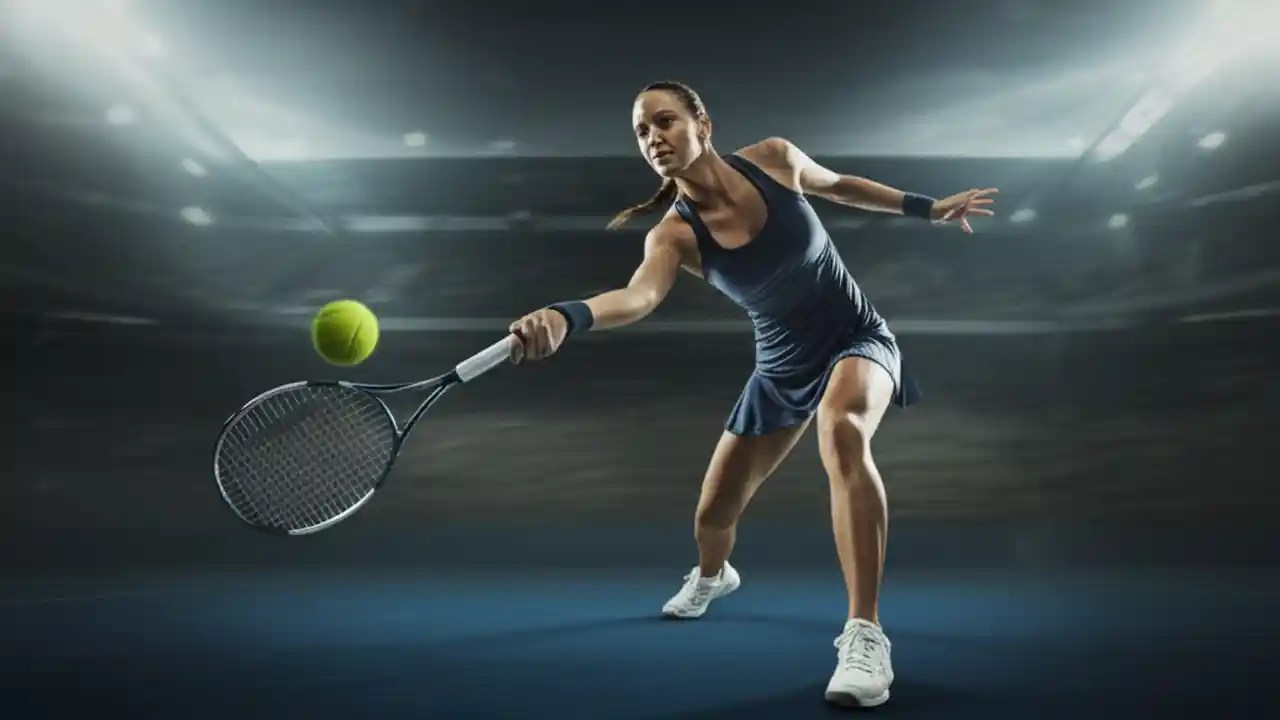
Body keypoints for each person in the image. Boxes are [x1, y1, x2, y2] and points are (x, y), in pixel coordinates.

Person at [506, 80, 996, 708]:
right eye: (642, 132)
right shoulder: (672, 237)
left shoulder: (774, 159)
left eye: (664, 121)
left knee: (842, 429)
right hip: (780, 370)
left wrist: (928, 208)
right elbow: (637, 298)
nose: (653, 138)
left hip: (856, 337)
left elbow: (841, 185)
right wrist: (565, 314)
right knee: (712, 518)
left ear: (701, 124)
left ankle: (864, 636)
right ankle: (714, 576)